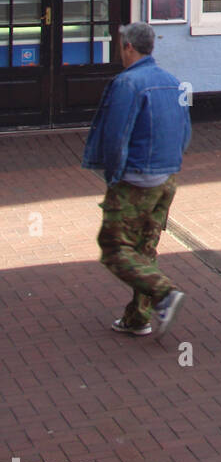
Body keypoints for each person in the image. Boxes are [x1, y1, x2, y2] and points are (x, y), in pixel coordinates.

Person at [82, 23, 191, 336]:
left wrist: (115, 177)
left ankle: (165, 293)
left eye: (121, 45)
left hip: (136, 179)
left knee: (115, 247)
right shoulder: (173, 82)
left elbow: (117, 135)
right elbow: (185, 132)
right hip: (166, 178)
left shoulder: (127, 83)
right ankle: (137, 318)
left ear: (128, 46)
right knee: (144, 248)